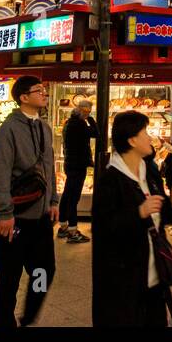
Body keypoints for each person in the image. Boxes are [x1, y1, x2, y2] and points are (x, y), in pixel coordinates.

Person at [91, 110, 172, 327]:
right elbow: (104, 230)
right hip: (124, 286)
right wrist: (138, 213)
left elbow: (162, 218)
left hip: (154, 280)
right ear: (132, 140)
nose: (150, 137)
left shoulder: (150, 173)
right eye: (145, 132)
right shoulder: (110, 180)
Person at [0, 75, 59, 328]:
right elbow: (1, 171)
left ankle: (29, 315)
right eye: (38, 90)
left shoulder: (44, 127)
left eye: (44, 89)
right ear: (24, 97)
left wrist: (53, 200)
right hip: (14, 218)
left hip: (40, 218)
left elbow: (48, 167)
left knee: (44, 271)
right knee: (9, 278)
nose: (44, 93)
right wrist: (5, 212)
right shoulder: (9, 128)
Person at [59, 98, 98, 243]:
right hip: (78, 165)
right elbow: (96, 134)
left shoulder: (69, 122)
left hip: (70, 163)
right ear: (82, 110)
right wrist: (92, 120)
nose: (88, 114)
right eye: (87, 111)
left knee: (67, 194)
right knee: (73, 198)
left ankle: (63, 226)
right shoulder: (79, 124)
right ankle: (73, 231)